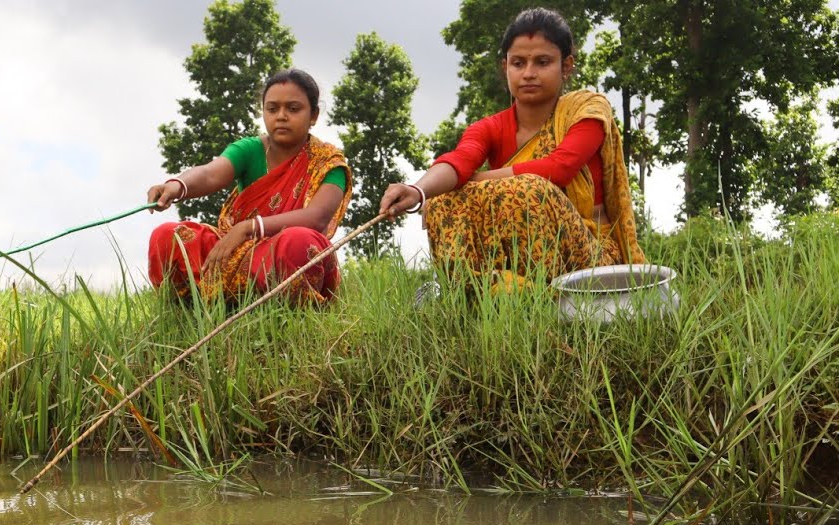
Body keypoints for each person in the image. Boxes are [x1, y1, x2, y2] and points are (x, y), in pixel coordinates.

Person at [380, 7, 645, 293]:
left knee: (532, 190)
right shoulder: (489, 128)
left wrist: (470, 183)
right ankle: (478, 296)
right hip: (511, 259)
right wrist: (419, 192)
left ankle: (548, 296)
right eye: (518, 63)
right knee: (443, 201)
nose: (529, 73)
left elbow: (558, 169)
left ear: (566, 66)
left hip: (590, 258)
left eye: (542, 62)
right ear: (505, 66)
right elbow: (460, 159)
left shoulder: (586, 110)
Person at [146, 69, 353, 305]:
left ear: (313, 115)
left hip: (284, 255)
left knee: (299, 242)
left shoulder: (329, 163)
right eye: (272, 109)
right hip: (232, 250)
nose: (282, 116)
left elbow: (317, 217)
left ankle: (285, 312)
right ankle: (194, 309)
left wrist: (250, 228)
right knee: (167, 236)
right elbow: (210, 173)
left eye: (293, 109)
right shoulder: (249, 149)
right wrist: (176, 185)